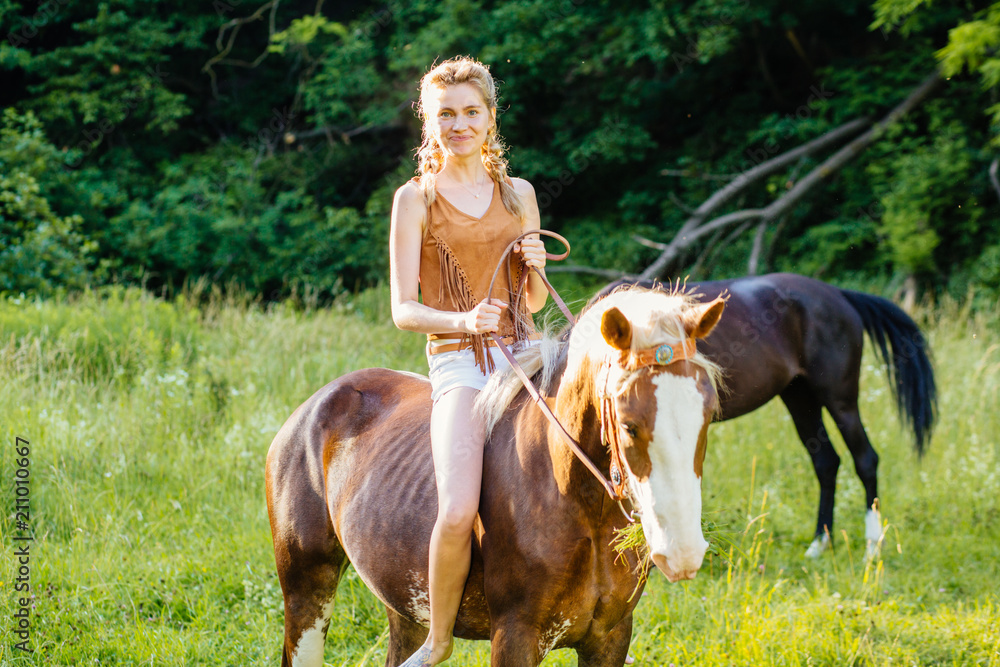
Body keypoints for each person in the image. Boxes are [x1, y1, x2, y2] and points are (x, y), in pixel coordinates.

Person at [388, 56, 549, 666]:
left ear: (489, 118)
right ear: (429, 123)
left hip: (526, 352)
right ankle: (438, 640)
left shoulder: (520, 194)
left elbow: (532, 300)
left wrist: (535, 262)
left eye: (470, 113)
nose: (459, 124)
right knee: (457, 510)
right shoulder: (415, 200)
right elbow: (404, 309)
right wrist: (461, 321)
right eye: (445, 114)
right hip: (460, 362)